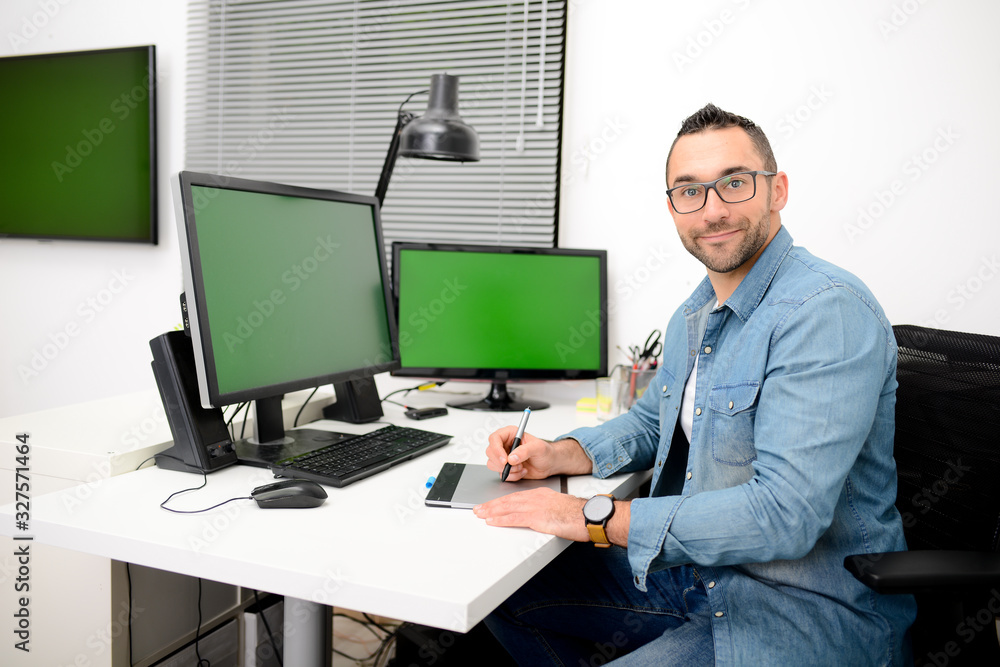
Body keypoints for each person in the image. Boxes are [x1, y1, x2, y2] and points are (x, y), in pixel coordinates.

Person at [473, 103, 917, 665]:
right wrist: (559, 454)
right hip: (698, 577)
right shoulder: (699, 311)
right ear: (672, 207)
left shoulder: (824, 312)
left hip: (801, 612)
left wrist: (596, 517)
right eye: (689, 191)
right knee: (503, 591)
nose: (711, 210)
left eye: (734, 183)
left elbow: (785, 515)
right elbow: (657, 419)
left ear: (776, 190)